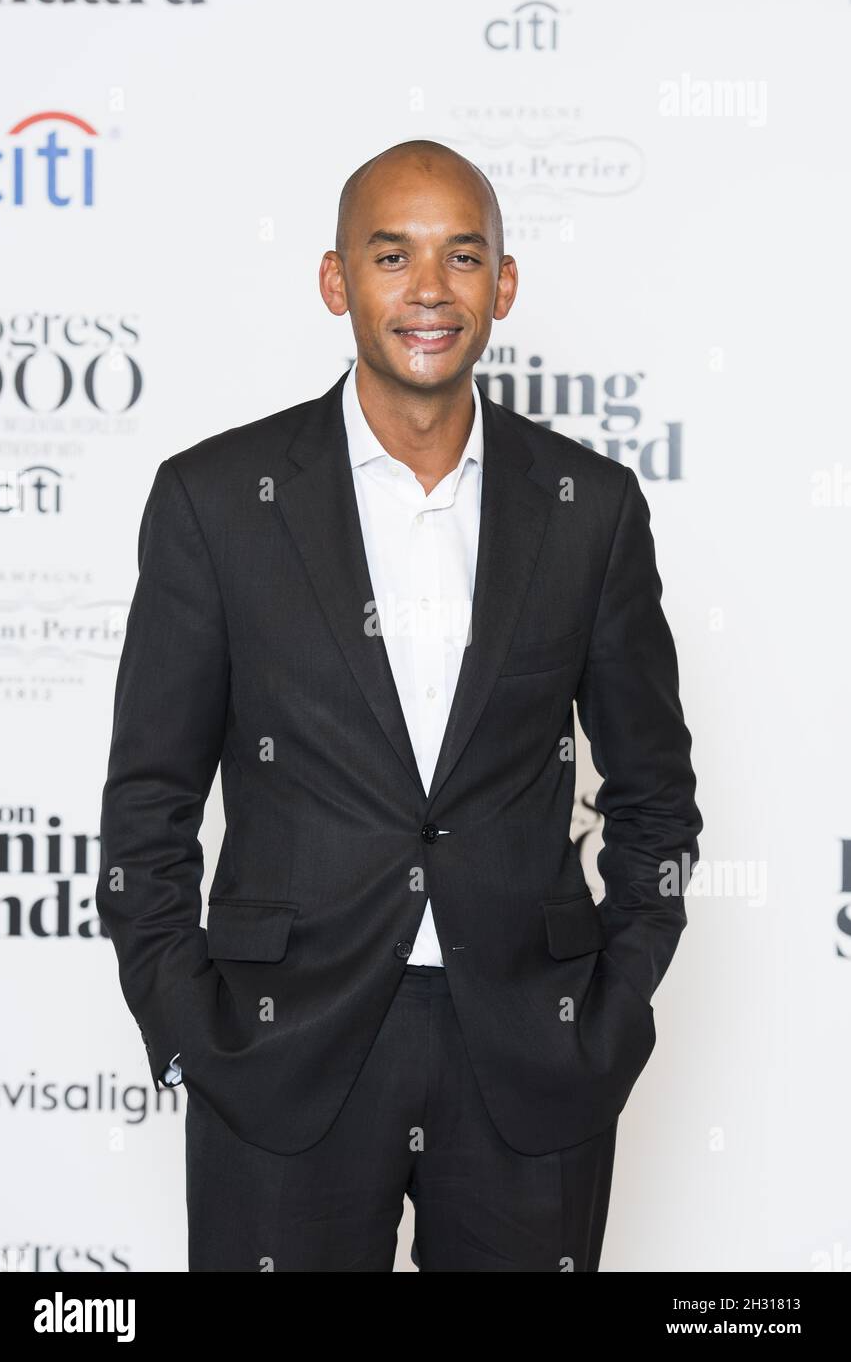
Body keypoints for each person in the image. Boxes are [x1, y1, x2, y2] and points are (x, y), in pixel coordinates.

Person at [95, 139, 702, 1272]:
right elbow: (148, 802)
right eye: (392, 255)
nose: (429, 288)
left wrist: (612, 1008)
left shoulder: (589, 511)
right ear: (337, 282)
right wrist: (189, 1025)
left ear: (503, 285)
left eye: (462, 256)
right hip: (282, 1049)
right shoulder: (216, 503)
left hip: (527, 1051)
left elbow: (656, 793)